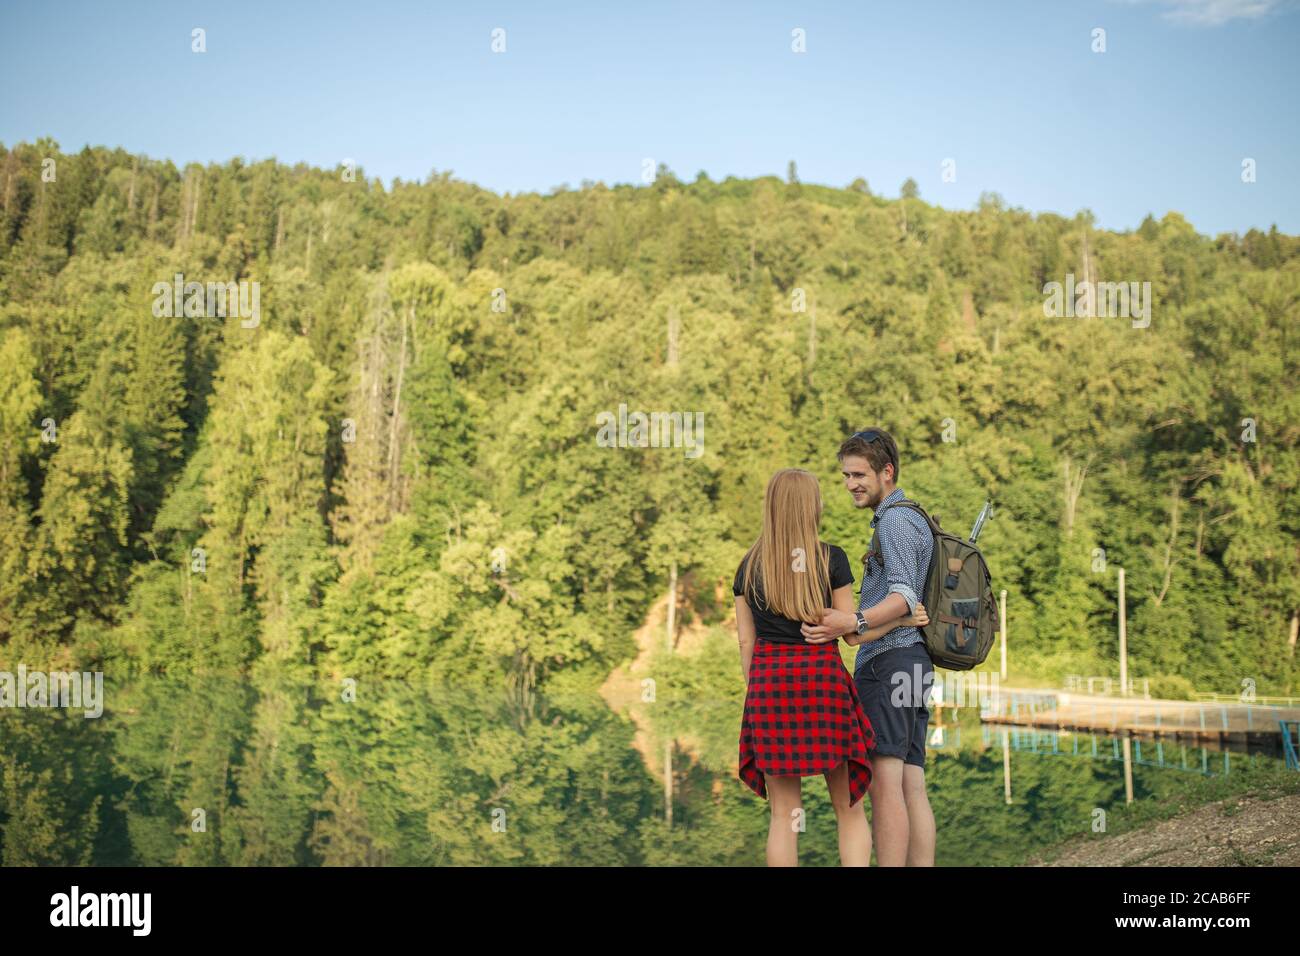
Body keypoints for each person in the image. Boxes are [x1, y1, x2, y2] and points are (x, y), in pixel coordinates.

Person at [734, 467, 929, 867]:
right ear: (811, 508)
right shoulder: (831, 559)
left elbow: (745, 642)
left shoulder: (748, 567)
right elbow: (853, 634)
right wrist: (901, 619)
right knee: (849, 807)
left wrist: (756, 694)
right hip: (822, 686)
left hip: (769, 684)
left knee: (784, 815)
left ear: (771, 507)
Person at [801, 428, 938, 866]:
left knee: (884, 785)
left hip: (889, 662)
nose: (851, 484)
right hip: (915, 662)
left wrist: (855, 620)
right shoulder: (915, 516)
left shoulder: (895, 521)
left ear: (887, 472)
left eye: (859, 474)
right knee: (911, 784)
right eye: (845, 475)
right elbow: (908, 602)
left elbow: (901, 595)